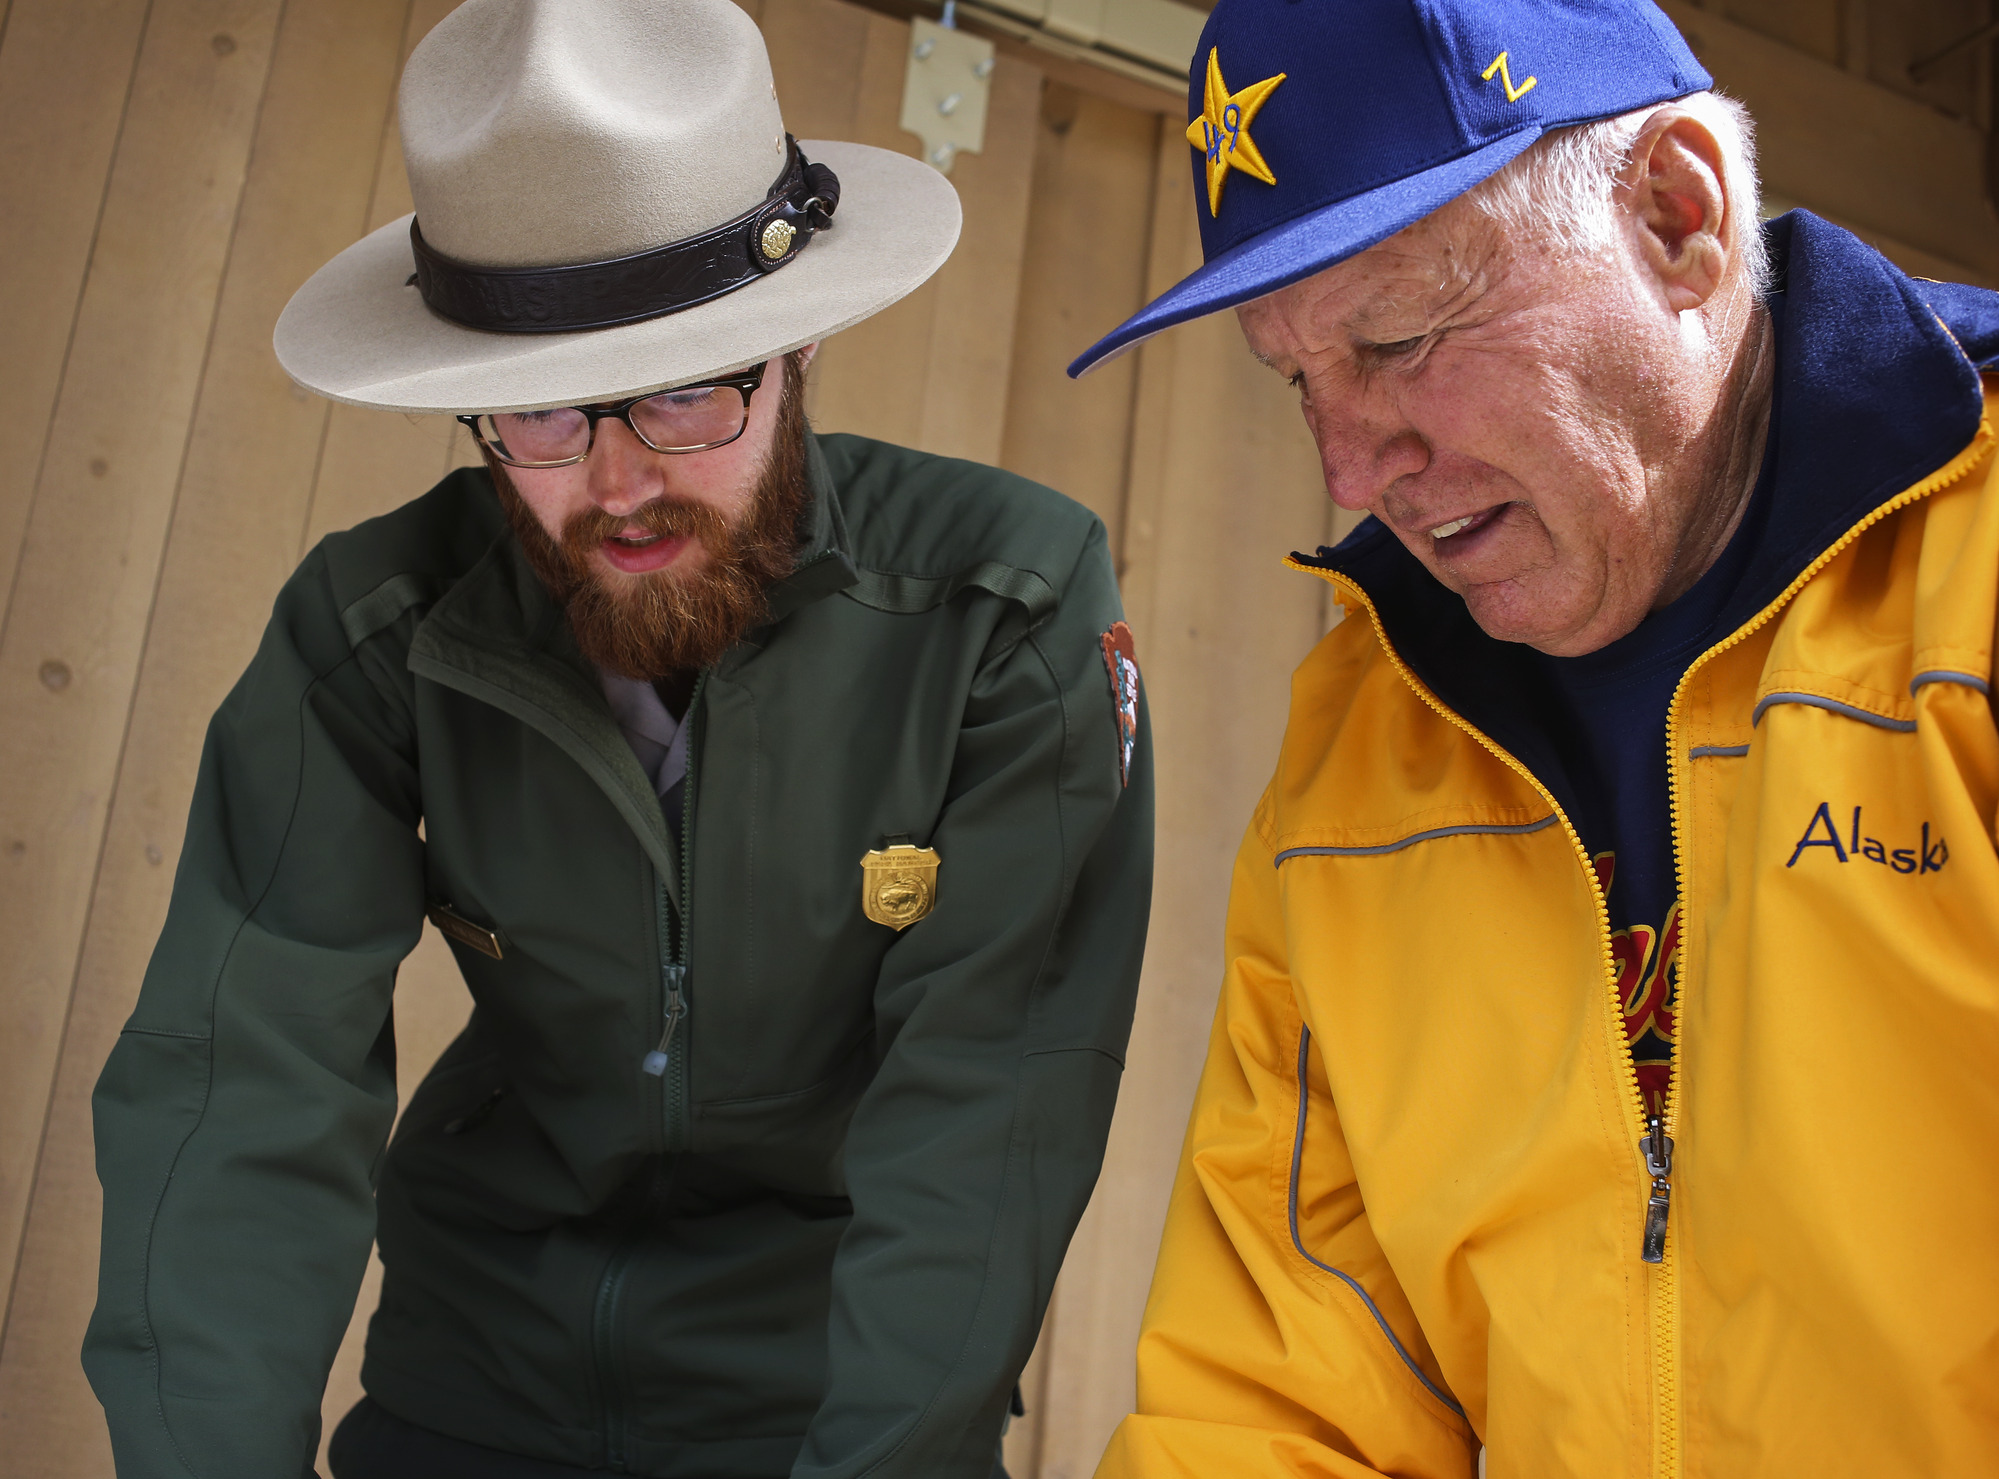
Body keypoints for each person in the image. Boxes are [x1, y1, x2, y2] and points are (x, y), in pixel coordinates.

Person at [83, 2, 1154, 1475]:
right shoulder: (374, 633)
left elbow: (990, 1121)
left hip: (828, 1416)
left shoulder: (1005, 611)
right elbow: (235, 1091)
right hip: (471, 1389)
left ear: (796, 345)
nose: (620, 480)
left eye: (686, 390)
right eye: (539, 415)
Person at [1068, 0, 1999, 1473]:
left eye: (1398, 335)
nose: (1348, 464)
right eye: (1298, 376)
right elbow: (1280, 1396)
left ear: (1677, 216)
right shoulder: (1360, 746)